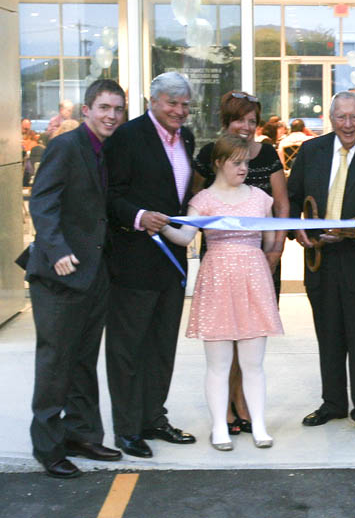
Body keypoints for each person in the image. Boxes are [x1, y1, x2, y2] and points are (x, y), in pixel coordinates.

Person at [26, 79, 126, 478]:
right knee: (56, 362)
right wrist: (57, 250)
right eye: (104, 108)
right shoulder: (66, 146)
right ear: (86, 110)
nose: (111, 116)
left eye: (117, 109)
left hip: (94, 272)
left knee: (84, 359)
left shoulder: (105, 149)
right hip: (59, 274)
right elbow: (42, 200)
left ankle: (81, 434)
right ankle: (48, 447)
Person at [161, 134, 284, 451]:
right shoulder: (202, 200)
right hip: (217, 280)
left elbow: (271, 239)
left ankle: (259, 425)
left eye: (246, 163)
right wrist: (160, 224)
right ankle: (219, 427)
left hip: (253, 279)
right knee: (218, 365)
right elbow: (184, 236)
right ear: (218, 163)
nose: (244, 168)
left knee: (253, 364)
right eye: (236, 162)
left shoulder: (260, 198)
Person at [287, 91, 355, 437]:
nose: (348, 124)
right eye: (341, 117)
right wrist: (296, 230)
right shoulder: (311, 151)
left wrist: (352, 229)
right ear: (331, 119)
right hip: (319, 261)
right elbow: (292, 199)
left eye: (354, 117)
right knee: (329, 335)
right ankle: (333, 403)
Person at [104, 72, 198, 458]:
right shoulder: (126, 137)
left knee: (162, 347)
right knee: (128, 350)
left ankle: (153, 418)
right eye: (172, 103)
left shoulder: (186, 138)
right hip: (133, 261)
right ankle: (127, 430)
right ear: (153, 101)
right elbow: (110, 195)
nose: (179, 111)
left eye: (185, 105)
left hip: (171, 262)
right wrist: (140, 216)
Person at [192, 91, 289, 438]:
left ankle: (242, 402)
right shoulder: (209, 154)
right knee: (223, 336)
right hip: (221, 260)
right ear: (226, 121)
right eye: (239, 120)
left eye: (252, 121)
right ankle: (230, 406)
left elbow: (281, 205)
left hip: (260, 261)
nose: (246, 127)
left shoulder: (268, 155)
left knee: (250, 337)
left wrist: (275, 252)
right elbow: (195, 200)